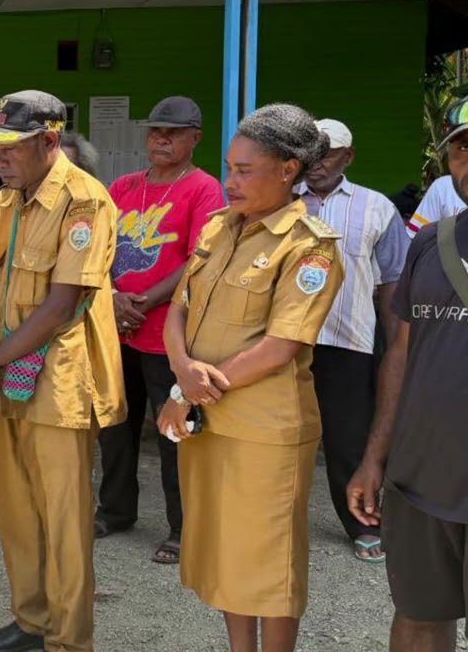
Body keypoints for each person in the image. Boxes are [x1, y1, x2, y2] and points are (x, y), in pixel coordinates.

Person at [156, 103, 344, 652]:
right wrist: (181, 381)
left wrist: (191, 391)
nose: (230, 182)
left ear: (288, 169)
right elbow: (179, 311)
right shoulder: (218, 228)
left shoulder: (309, 245)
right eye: (229, 168)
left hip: (265, 432)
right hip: (207, 421)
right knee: (226, 558)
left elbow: (282, 346)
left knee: (270, 567)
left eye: (244, 170)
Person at [0, 90, 125, 652]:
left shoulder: (86, 202)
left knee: (63, 521)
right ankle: (30, 621)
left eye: (9, 147)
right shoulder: (12, 198)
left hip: (59, 383)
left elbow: (60, 305)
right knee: (16, 510)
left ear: (49, 141)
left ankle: (68, 639)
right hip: (10, 376)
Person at [346, 95, 468, 652]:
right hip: (421, 480)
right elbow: (400, 351)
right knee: (419, 620)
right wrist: (375, 457)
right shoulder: (429, 243)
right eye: (463, 149)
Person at [96, 95, 225, 564]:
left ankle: (182, 527)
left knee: (175, 431)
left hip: (167, 335)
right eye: (155, 131)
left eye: (173, 132)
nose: (162, 139)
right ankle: (114, 511)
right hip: (118, 328)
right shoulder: (123, 187)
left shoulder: (204, 189)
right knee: (114, 425)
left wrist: (147, 299)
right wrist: (113, 296)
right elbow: (100, 252)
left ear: (195, 138)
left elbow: (199, 259)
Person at [293, 118, 409, 562]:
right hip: (286, 341)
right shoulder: (284, 203)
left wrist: (395, 346)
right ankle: (275, 522)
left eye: (328, 153)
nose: (317, 163)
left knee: (348, 438)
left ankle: (361, 522)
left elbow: (393, 284)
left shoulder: (376, 208)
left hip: (348, 340)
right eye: (311, 153)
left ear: (349, 156)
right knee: (280, 435)